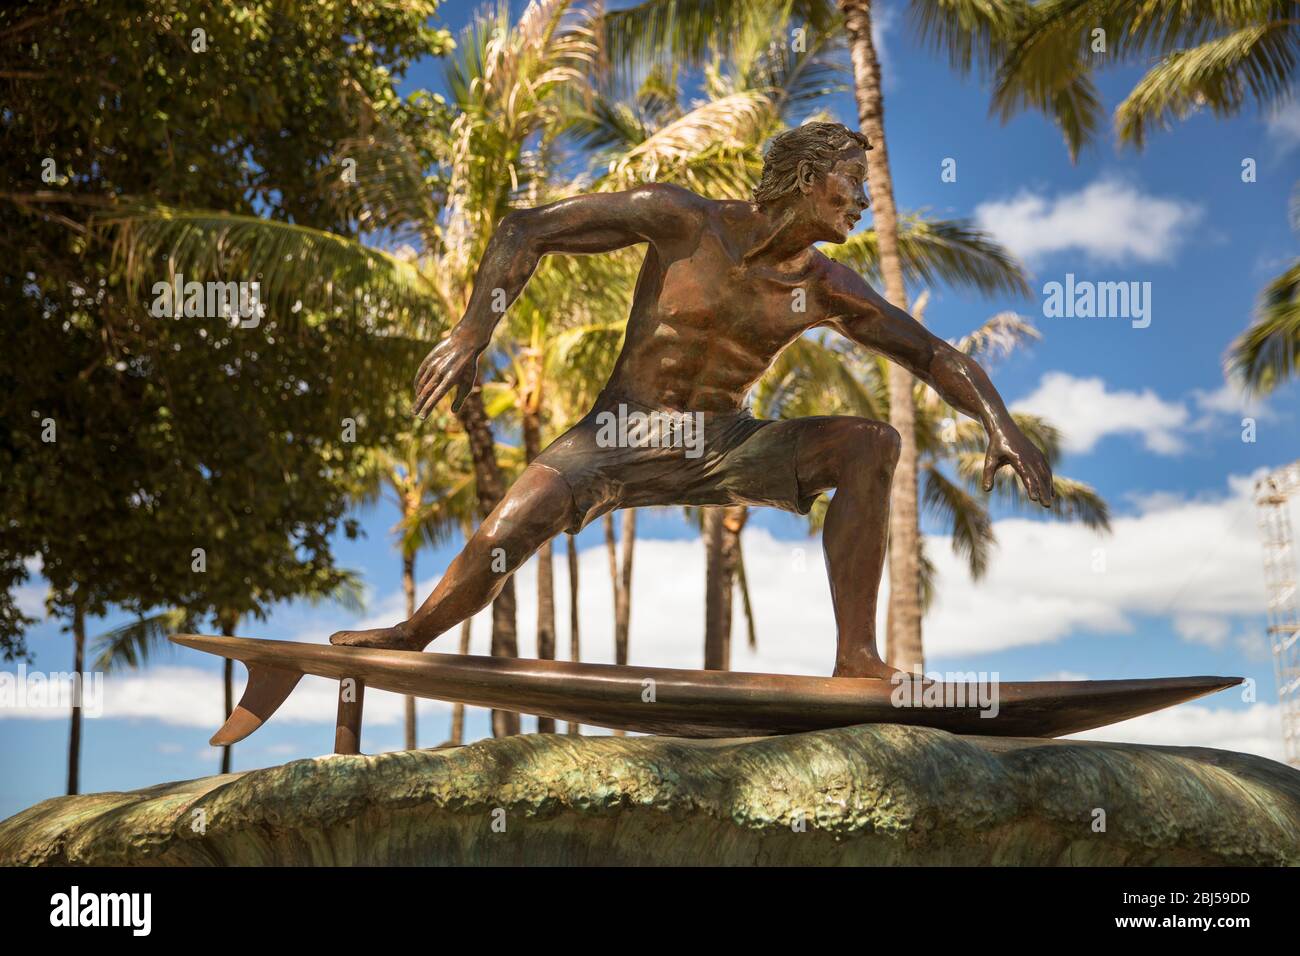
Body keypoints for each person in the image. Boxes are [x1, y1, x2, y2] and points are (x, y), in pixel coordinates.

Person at [330, 122, 1054, 678]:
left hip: (723, 445)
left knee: (871, 442)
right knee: (500, 543)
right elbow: (527, 228)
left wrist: (1001, 424)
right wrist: (471, 328)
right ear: (805, 178)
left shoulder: (827, 288)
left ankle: (856, 658)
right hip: (614, 435)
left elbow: (931, 353)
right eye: (852, 182)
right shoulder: (682, 220)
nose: (864, 202)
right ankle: (412, 633)